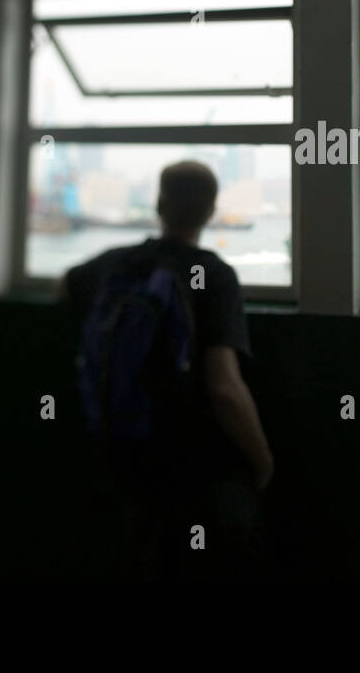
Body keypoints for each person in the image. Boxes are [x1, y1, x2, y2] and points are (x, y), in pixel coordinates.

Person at [60, 160, 274, 580]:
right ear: (211, 212)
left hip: (119, 455)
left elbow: (65, 285)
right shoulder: (213, 274)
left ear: (159, 204)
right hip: (192, 467)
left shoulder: (117, 263)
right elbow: (225, 388)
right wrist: (263, 460)